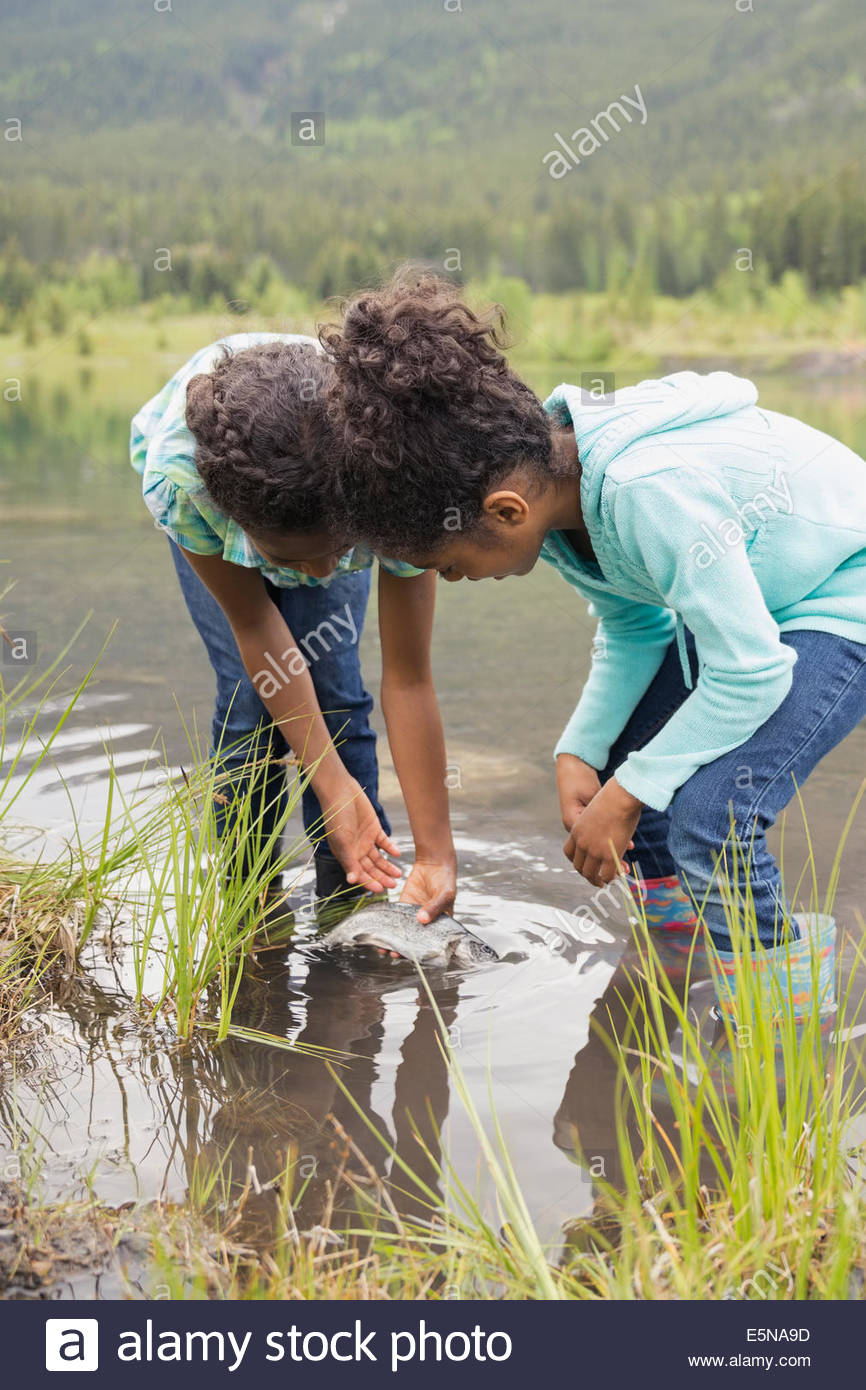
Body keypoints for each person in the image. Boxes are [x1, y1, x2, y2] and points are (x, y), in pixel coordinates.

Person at [321, 272, 866, 1019]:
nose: (452, 579)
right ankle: (684, 946)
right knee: (619, 767)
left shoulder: (649, 493)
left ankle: (783, 1015)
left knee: (714, 816)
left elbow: (752, 671)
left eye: (449, 565)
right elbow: (636, 625)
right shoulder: (557, 498)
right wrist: (581, 751)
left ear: (504, 511)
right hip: (761, 607)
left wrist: (630, 792)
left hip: (841, 596)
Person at [130, 331, 456, 924]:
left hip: (340, 478)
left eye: (339, 550)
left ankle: (354, 904)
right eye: (293, 561)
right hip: (219, 498)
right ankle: (248, 906)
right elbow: (256, 627)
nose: (323, 574)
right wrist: (328, 784)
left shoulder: (398, 483)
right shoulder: (185, 487)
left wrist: (436, 853)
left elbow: (409, 677)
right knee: (249, 703)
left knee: (336, 698)